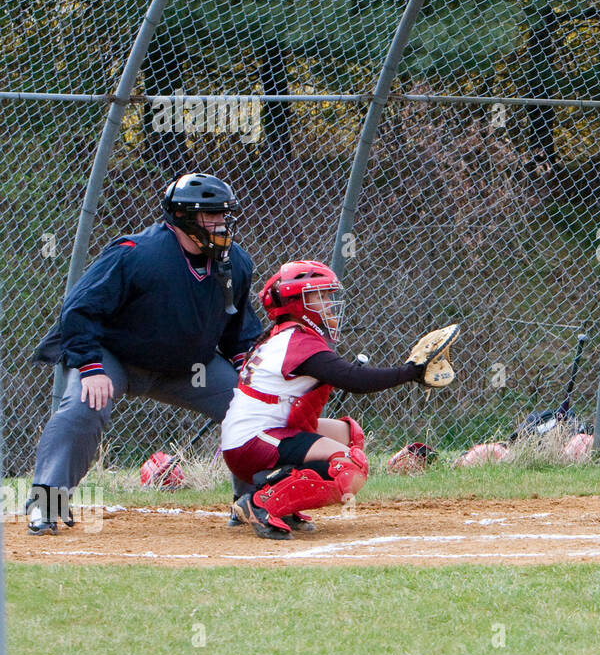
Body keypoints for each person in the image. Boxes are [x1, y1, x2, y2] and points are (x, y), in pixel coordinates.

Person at [27, 173, 261, 534]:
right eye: (209, 216)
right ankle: (47, 503)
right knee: (82, 407)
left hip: (188, 368)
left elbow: (239, 328)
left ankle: (255, 502)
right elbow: (79, 310)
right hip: (116, 357)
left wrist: (248, 369)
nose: (220, 223)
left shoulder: (235, 263)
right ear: (182, 218)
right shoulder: (137, 254)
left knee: (251, 407)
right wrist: (90, 366)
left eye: (223, 215)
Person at [222, 260, 458, 540]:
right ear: (297, 303)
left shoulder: (288, 336)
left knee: (350, 434)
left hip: (262, 433)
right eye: (318, 296)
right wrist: (410, 372)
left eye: (327, 295)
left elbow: (339, 375)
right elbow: (353, 381)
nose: (329, 303)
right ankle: (261, 503)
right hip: (252, 443)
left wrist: (406, 373)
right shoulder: (297, 343)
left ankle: (283, 499)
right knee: (351, 467)